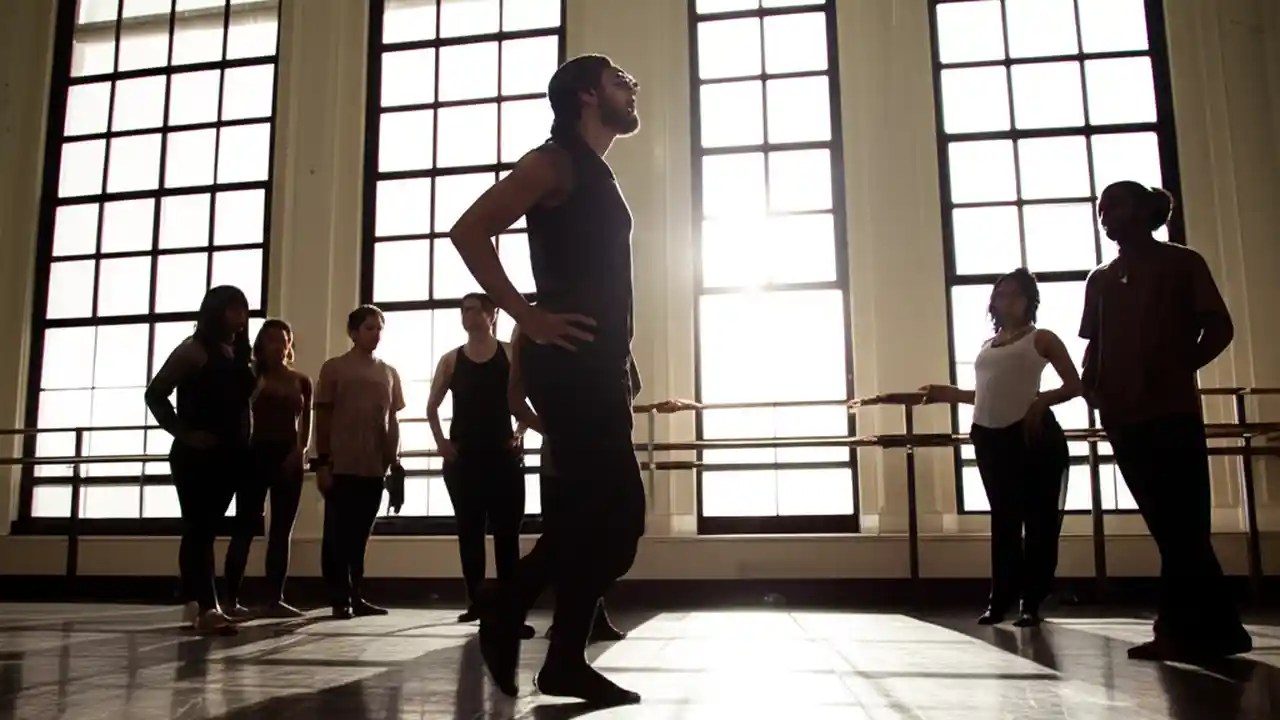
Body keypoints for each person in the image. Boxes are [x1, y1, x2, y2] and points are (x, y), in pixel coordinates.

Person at [448, 54, 643, 705]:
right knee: (616, 519)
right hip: (572, 365)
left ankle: (552, 648)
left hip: (597, 364)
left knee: (597, 519)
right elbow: (470, 229)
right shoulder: (553, 160)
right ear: (588, 95)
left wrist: (622, 354)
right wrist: (526, 316)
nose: (630, 86)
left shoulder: (596, 170)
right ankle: (517, 613)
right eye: (619, 79)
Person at [1080, 181, 1251, 660]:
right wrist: (1092, 388)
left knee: (1183, 525)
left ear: (1142, 211)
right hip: (1123, 414)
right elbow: (1094, 341)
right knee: (1170, 526)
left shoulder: (1182, 263)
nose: (1105, 214)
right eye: (1101, 208)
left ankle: (1178, 629)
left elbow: (1219, 327)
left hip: (1170, 411)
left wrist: (1178, 368)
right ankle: (1217, 629)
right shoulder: (1101, 278)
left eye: (1114, 205)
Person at [919, 268, 1079, 627]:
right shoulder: (988, 345)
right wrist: (948, 394)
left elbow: (1074, 385)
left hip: (1029, 436)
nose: (1007, 301)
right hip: (989, 437)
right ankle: (1000, 599)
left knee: (1038, 520)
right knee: (1004, 520)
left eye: (1015, 294)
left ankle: (1031, 601)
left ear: (1029, 301)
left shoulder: (1042, 339)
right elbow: (989, 393)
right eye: (1001, 294)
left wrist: (1041, 403)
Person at [145, 285, 255, 636]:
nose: (240, 317)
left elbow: (244, 404)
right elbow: (156, 394)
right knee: (200, 528)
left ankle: (195, 600)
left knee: (202, 528)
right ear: (217, 312)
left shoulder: (239, 352)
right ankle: (208, 607)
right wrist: (184, 432)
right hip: (198, 454)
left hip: (231, 454)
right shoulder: (193, 351)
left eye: (243, 310)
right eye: (233, 309)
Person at [426, 293, 534, 639]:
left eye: (473, 309)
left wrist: (519, 432)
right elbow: (432, 406)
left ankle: (510, 608)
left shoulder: (508, 353)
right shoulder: (452, 360)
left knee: (506, 535)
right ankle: (477, 602)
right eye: (463, 310)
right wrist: (442, 444)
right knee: (469, 532)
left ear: (492, 314)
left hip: (503, 458)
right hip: (466, 460)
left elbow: (526, 396)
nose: (467, 315)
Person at [313, 305, 404, 620]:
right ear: (353, 332)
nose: (375, 334)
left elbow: (391, 420)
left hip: (373, 466)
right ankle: (338, 598)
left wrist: (394, 462)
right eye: (369, 328)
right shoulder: (334, 368)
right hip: (341, 463)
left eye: (379, 329)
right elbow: (322, 416)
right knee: (337, 533)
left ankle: (356, 594)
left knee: (361, 535)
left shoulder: (389, 372)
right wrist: (321, 462)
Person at [223, 319, 312, 620]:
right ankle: (230, 599)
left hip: (288, 458)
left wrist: (298, 453)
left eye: (283, 339)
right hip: (254, 454)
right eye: (272, 339)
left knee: (281, 531)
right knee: (245, 527)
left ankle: (275, 598)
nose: (278, 344)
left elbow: (306, 427)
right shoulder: (252, 376)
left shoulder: (301, 380)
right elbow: (238, 415)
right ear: (261, 344)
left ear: (289, 345)